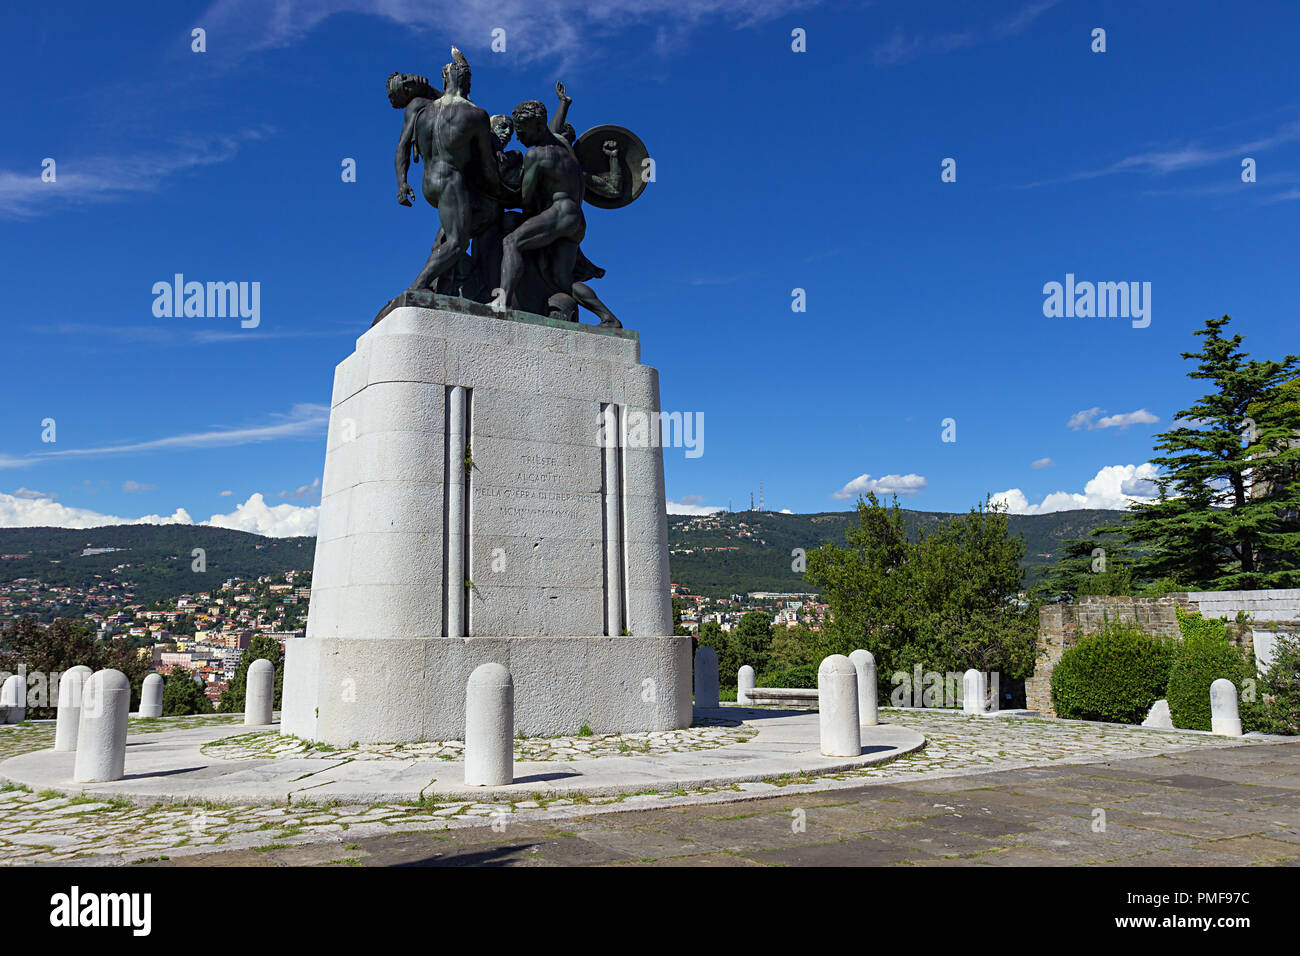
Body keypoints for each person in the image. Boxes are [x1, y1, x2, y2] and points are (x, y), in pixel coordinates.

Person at [501, 100, 621, 327]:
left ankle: (502, 304)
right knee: (563, 281)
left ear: (535, 127)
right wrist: (563, 105)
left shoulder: (535, 155)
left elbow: (526, 199)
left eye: (521, 131)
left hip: (558, 212)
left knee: (511, 242)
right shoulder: (564, 143)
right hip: (577, 221)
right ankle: (609, 318)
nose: (518, 138)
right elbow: (553, 128)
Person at [394, 48, 503, 294]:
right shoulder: (475, 115)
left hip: (427, 183)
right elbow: (487, 164)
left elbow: (402, 148)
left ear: (443, 80)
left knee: (464, 224)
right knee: (458, 242)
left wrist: (401, 184)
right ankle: (418, 287)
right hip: (451, 181)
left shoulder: (420, 108)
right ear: (468, 82)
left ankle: (453, 277)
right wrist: (499, 187)